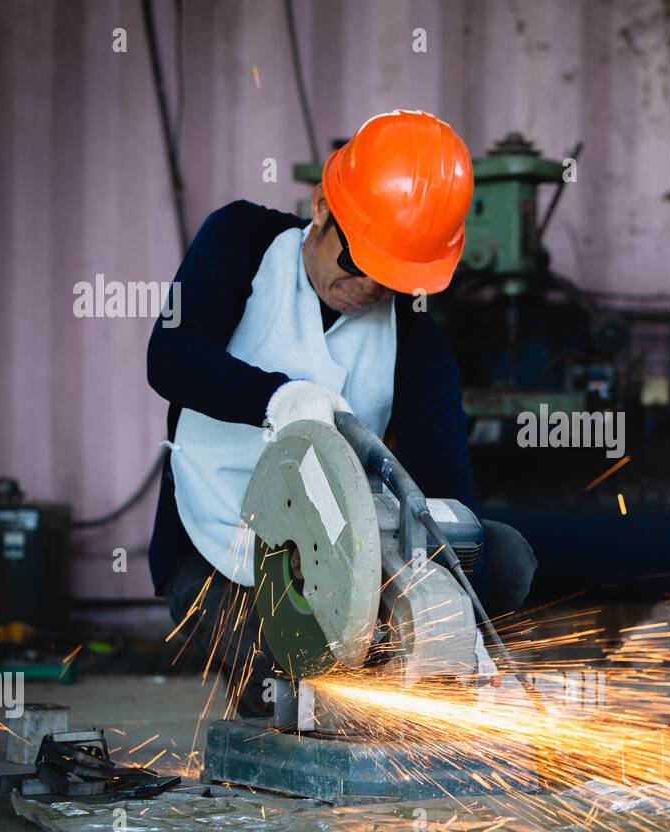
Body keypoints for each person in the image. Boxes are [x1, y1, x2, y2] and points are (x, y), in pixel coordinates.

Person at [146, 110, 535, 716]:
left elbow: (444, 473)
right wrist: (275, 398)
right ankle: (296, 693)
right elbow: (170, 358)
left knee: (501, 552)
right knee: (305, 686)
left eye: (391, 279)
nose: (369, 291)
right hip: (216, 546)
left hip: (337, 553)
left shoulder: (412, 328)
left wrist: (469, 635)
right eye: (358, 264)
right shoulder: (241, 243)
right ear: (324, 206)